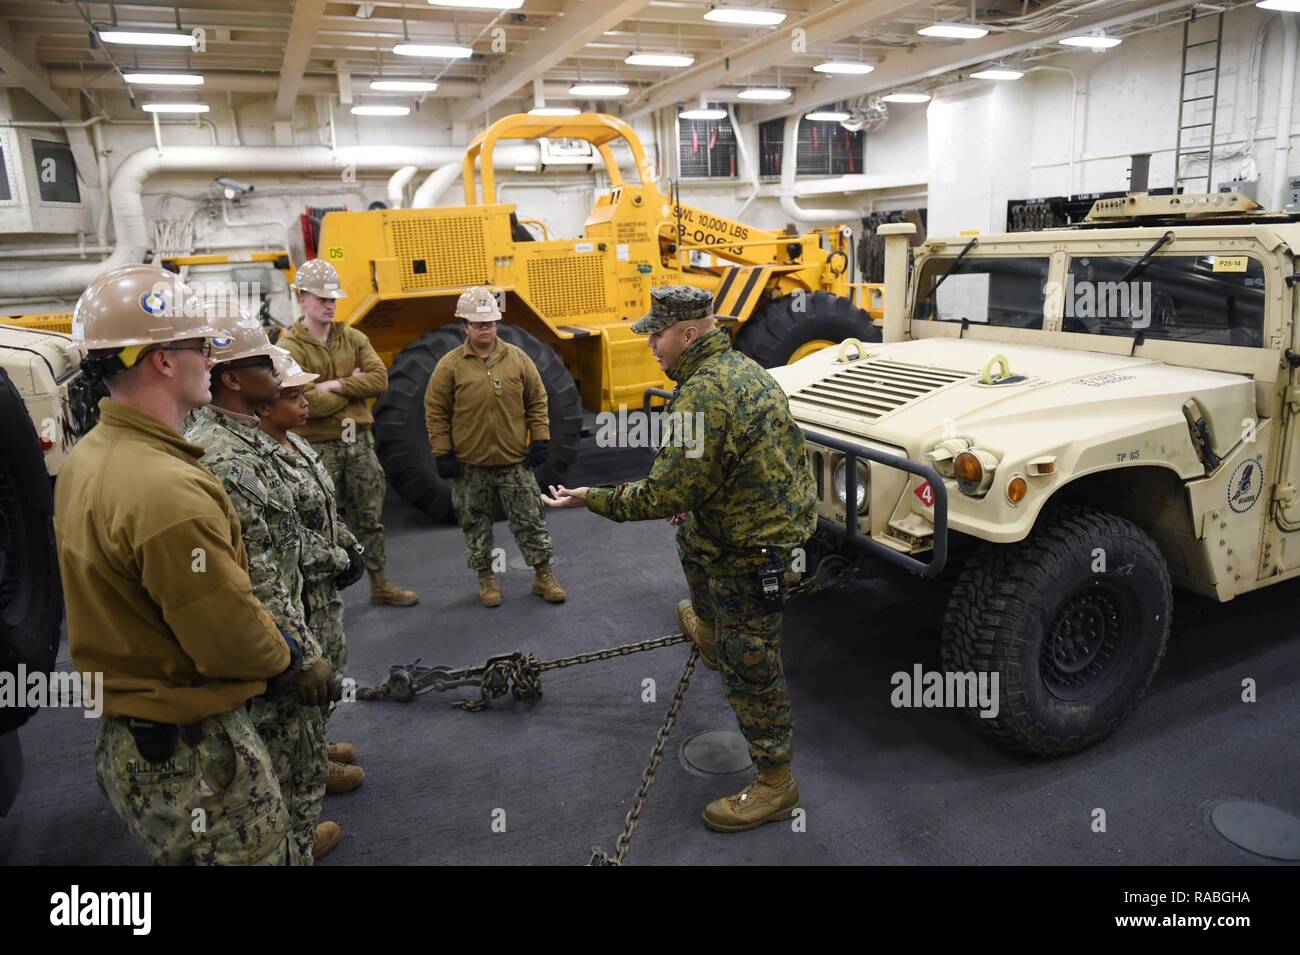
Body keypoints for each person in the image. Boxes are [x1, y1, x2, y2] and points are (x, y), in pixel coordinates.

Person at [542, 285, 816, 833]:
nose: (650, 344)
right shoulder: (744, 369)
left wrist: (589, 497)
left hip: (752, 552)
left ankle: (775, 783)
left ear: (689, 334)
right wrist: (693, 496)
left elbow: (660, 495)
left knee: (753, 668)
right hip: (748, 526)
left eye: (657, 334)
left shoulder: (704, 396)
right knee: (689, 538)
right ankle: (711, 631)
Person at [54, 264, 300, 865]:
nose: (213, 361)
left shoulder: (89, 457)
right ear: (163, 360)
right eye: (204, 347)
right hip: (196, 755)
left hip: (138, 734)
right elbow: (226, 639)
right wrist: (287, 658)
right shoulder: (165, 488)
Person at [185, 311, 339, 862]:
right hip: (274, 643)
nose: (277, 371)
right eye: (263, 362)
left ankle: (296, 839)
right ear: (231, 378)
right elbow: (259, 573)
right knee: (282, 758)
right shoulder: (225, 455)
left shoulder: (246, 437)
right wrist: (302, 655)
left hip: (286, 625)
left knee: (292, 753)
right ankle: (293, 844)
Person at [253, 346, 366, 796]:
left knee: (331, 668)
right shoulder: (263, 457)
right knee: (308, 679)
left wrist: (349, 544)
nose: (305, 403)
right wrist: (340, 559)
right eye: (294, 396)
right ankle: (308, 766)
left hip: (323, 589)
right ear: (265, 404)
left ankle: (315, 745)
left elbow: (323, 508)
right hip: (298, 590)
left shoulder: (297, 442)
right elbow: (289, 535)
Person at [279, 258, 418, 607]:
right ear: (301, 298)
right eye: (321, 298)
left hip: (358, 443)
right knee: (319, 523)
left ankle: (380, 584)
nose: (329, 304)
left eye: (333, 298)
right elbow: (300, 403)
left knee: (370, 518)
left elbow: (380, 380)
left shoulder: (354, 337)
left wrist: (333, 386)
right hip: (317, 447)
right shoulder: (289, 347)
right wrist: (352, 388)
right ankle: (321, 596)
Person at [423, 286, 565, 608]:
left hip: (514, 462)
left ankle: (544, 575)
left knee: (530, 520)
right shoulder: (450, 366)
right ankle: (486, 578)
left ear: (497, 324)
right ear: (465, 326)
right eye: (477, 324)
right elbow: (435, 411)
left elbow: (537, 400)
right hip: (470, 466)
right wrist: (441, 452)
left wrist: (540, 438)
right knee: (475, 525)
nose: (484, 329)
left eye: (489, 323)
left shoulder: (517, 359)